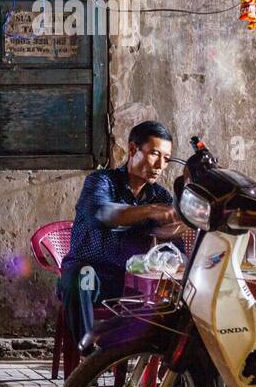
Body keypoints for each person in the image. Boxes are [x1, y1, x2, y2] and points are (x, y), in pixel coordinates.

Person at [59, 120, 187, 346]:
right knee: (81, 279)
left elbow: (173, 251)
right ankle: (89, 358)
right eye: (154, 154)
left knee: (178, 295)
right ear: (132, 149)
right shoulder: (102, 182)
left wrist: (176, 229)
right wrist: (150, 211)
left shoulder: (161, 196)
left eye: (166, 159)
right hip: (93, 277)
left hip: (130, 283)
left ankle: (168, 369)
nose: (159, 164)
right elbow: (101, 214)